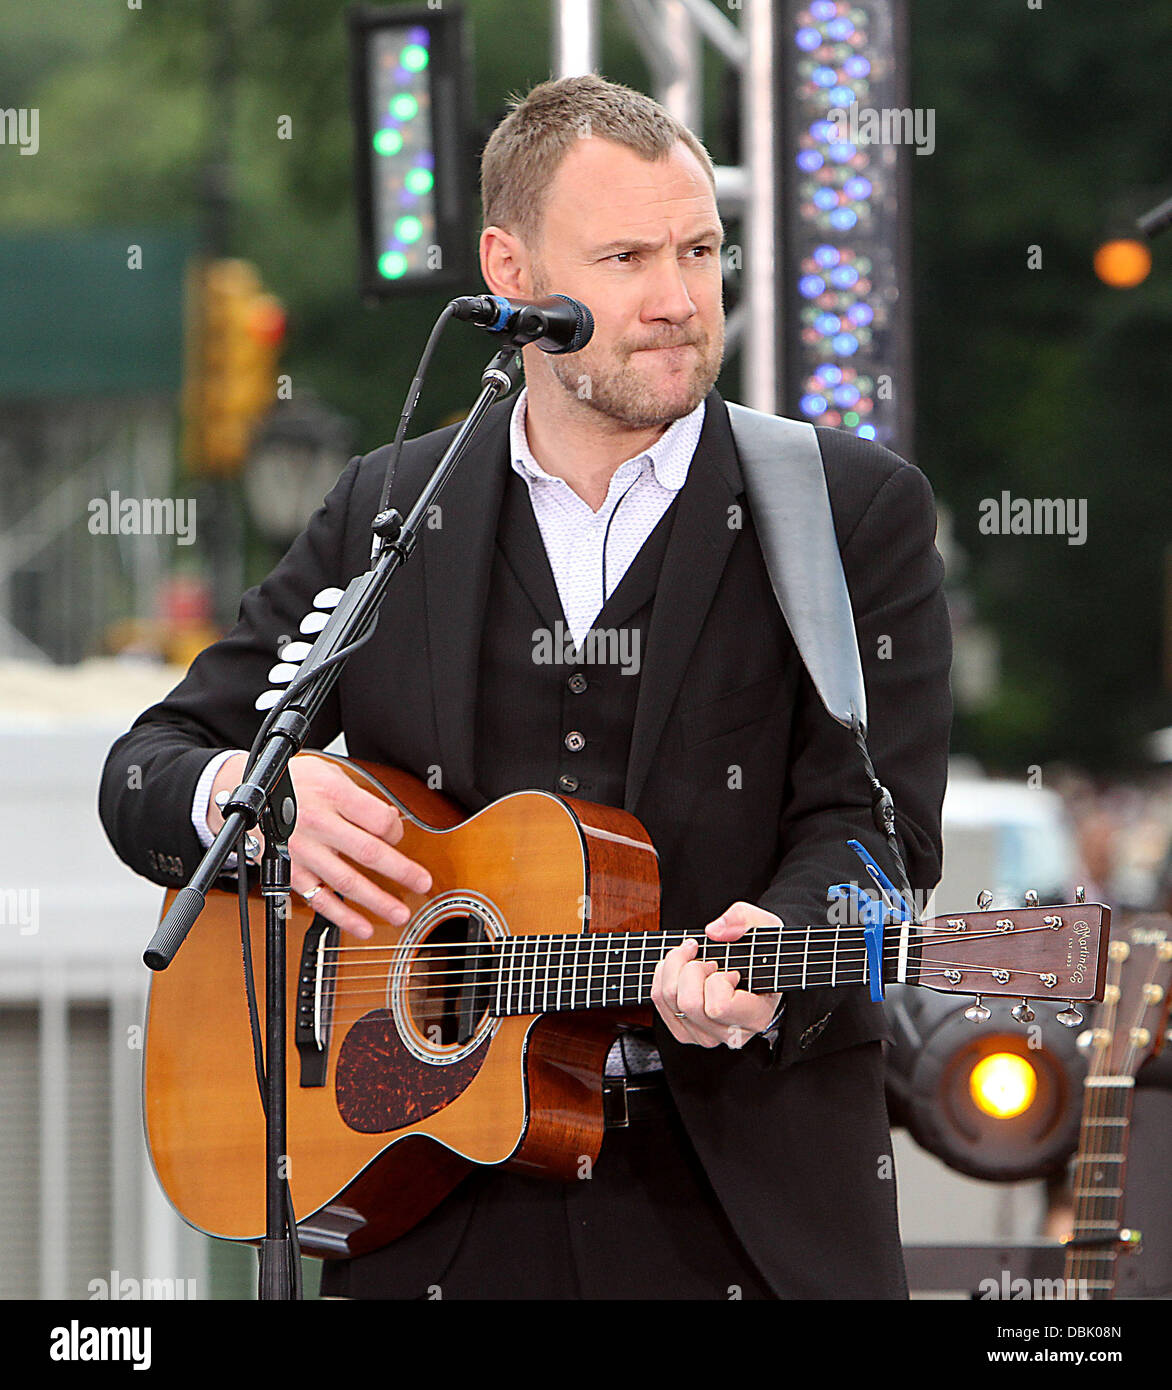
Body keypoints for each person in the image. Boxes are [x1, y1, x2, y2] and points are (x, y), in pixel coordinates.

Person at [99, 74, 952, 1299]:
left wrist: (781, 946)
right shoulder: (387, 509)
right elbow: (149, 763)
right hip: (424, 1197)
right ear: (509, 271)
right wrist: (252, 795)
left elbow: (878, 833)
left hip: (737, 1211)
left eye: (700, 249)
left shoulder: (843, 508)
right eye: (623, 257)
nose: (677, 300)